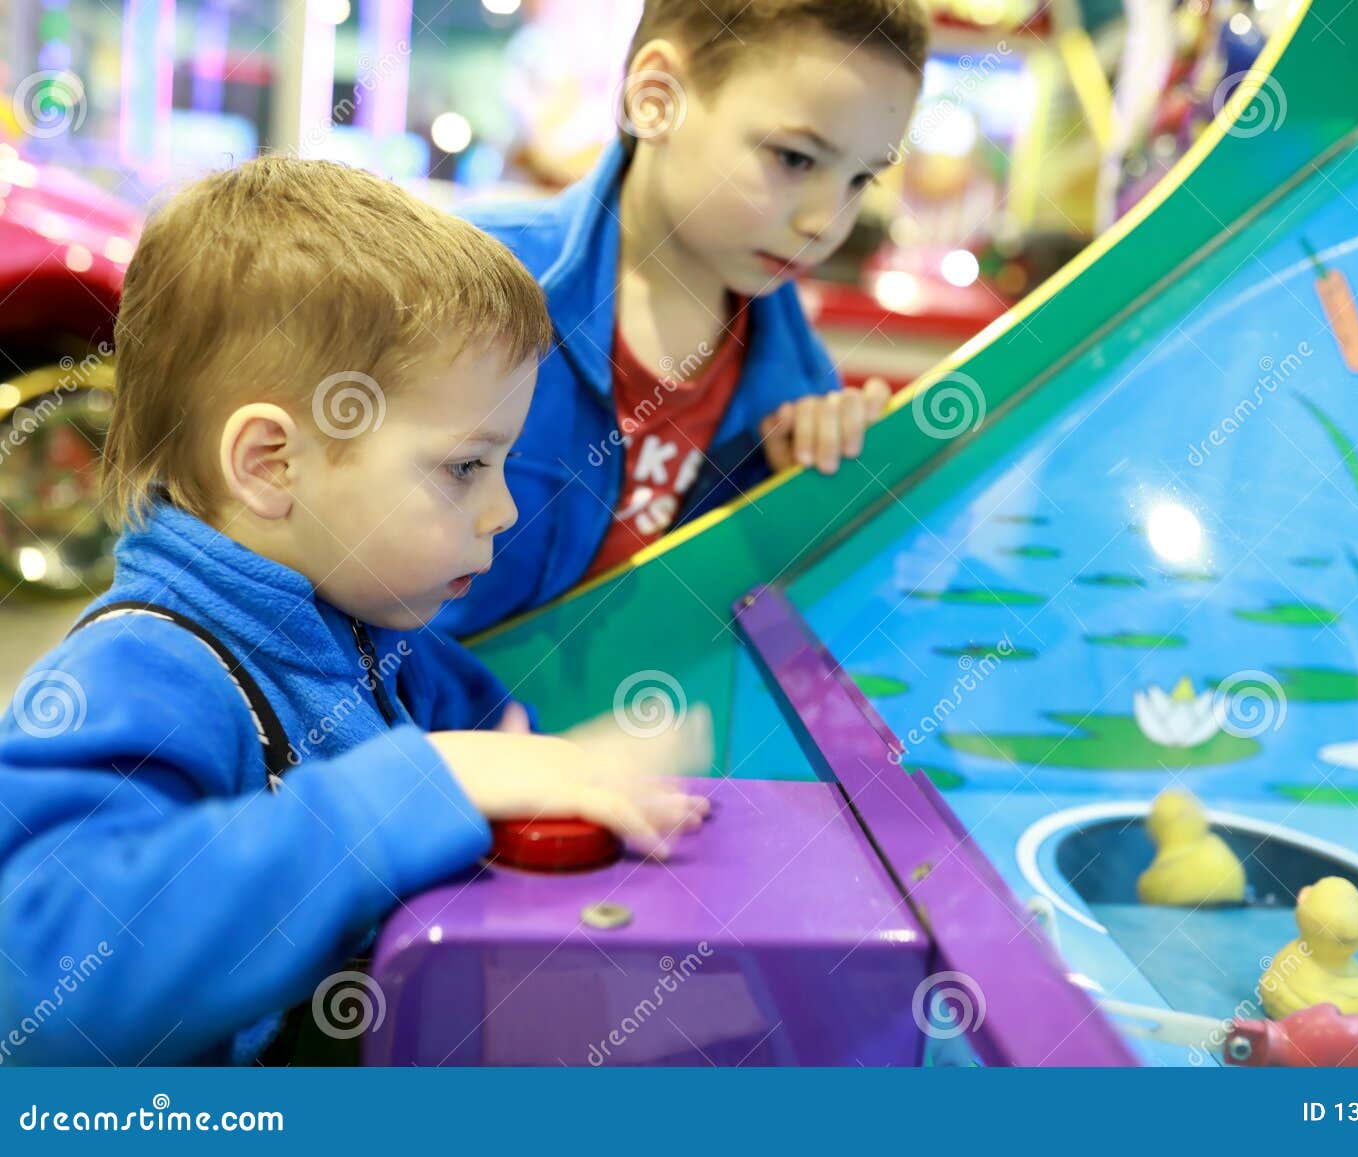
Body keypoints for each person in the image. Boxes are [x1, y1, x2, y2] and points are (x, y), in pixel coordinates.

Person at [0, 157, 708, 1066]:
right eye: (464, 467)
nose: (503, 511)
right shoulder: (143, 673)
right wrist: (422, 789)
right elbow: (40, 975)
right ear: (270, 465)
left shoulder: (391, 646)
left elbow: (505, 746)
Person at [435, 0, 930, 635]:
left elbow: (790, 647)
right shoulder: (453, 286)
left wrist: (813, 498)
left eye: (861, 179)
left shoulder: (803, 393)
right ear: (656, 95)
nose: (825, 222)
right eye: (796, 159)